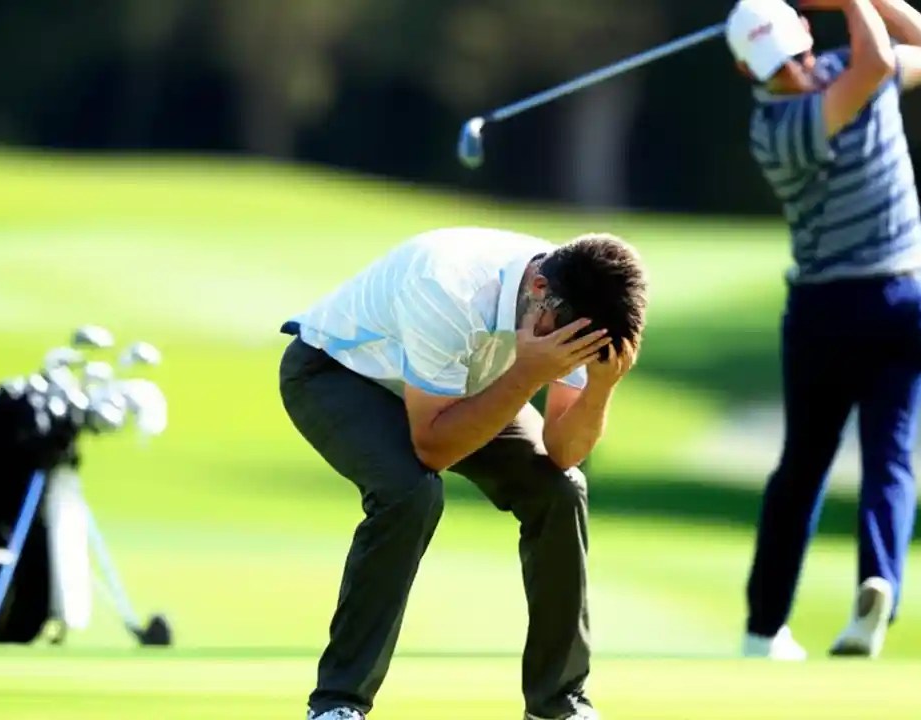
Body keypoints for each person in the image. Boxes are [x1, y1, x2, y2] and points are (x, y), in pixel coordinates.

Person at [278, 227, 648, 720]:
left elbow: (563, 453)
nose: (571, 351)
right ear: (538, 290)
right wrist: (528, 374)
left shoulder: (576, 307)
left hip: (462, 384)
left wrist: (600, 386)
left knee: (561, 492)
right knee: (409, 492)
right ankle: (338, 705)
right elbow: (432, 448)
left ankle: (557, 705)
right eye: (568, 339)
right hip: (339, 372)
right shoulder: (446, 286)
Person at [725, 0, 921, 659]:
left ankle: (823, 606)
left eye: (798, 54)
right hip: (878, 306)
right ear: (748, 69)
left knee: (836, 461)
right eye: (780, 66)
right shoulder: (783, 127)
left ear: (808, 36)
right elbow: (882, 58)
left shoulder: (841, 72)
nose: (798, 71)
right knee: (831, 463)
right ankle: (788, 620)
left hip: (846, 311)